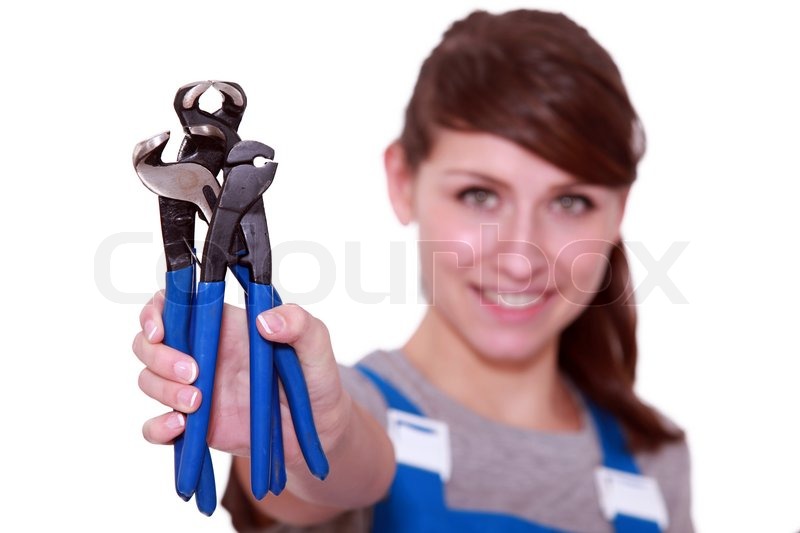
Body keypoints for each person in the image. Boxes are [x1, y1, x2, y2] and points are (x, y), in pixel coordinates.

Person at [133, 9, 693, 532]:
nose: (522, 255)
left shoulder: (656, 462)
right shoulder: (344, 402)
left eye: (571, 202)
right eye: (480, 195)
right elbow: (344, 465)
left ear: (619, 212)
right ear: (403, 182)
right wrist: (319, 436)